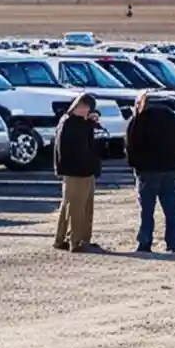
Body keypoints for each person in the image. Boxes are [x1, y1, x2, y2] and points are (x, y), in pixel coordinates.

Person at [126, 92, 175, 253]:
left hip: (147, 170)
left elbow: (130, 146)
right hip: (169, 168)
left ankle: (145, 242)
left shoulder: (138, 120)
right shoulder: (171, 117)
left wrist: (135, 165)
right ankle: (173, 243)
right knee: (171, 209)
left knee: (147, 210)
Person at [53, 93, 103, 253]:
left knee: (76, 206)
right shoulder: (70, 123)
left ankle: (64, 239)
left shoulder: (81, 123)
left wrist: (92, 122)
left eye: (87, 108)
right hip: (76, 171)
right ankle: (76, 241)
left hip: (84, 170)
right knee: (76, 208)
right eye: (81, 106)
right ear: (74, 106)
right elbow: (66, 151)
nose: (84, 110)